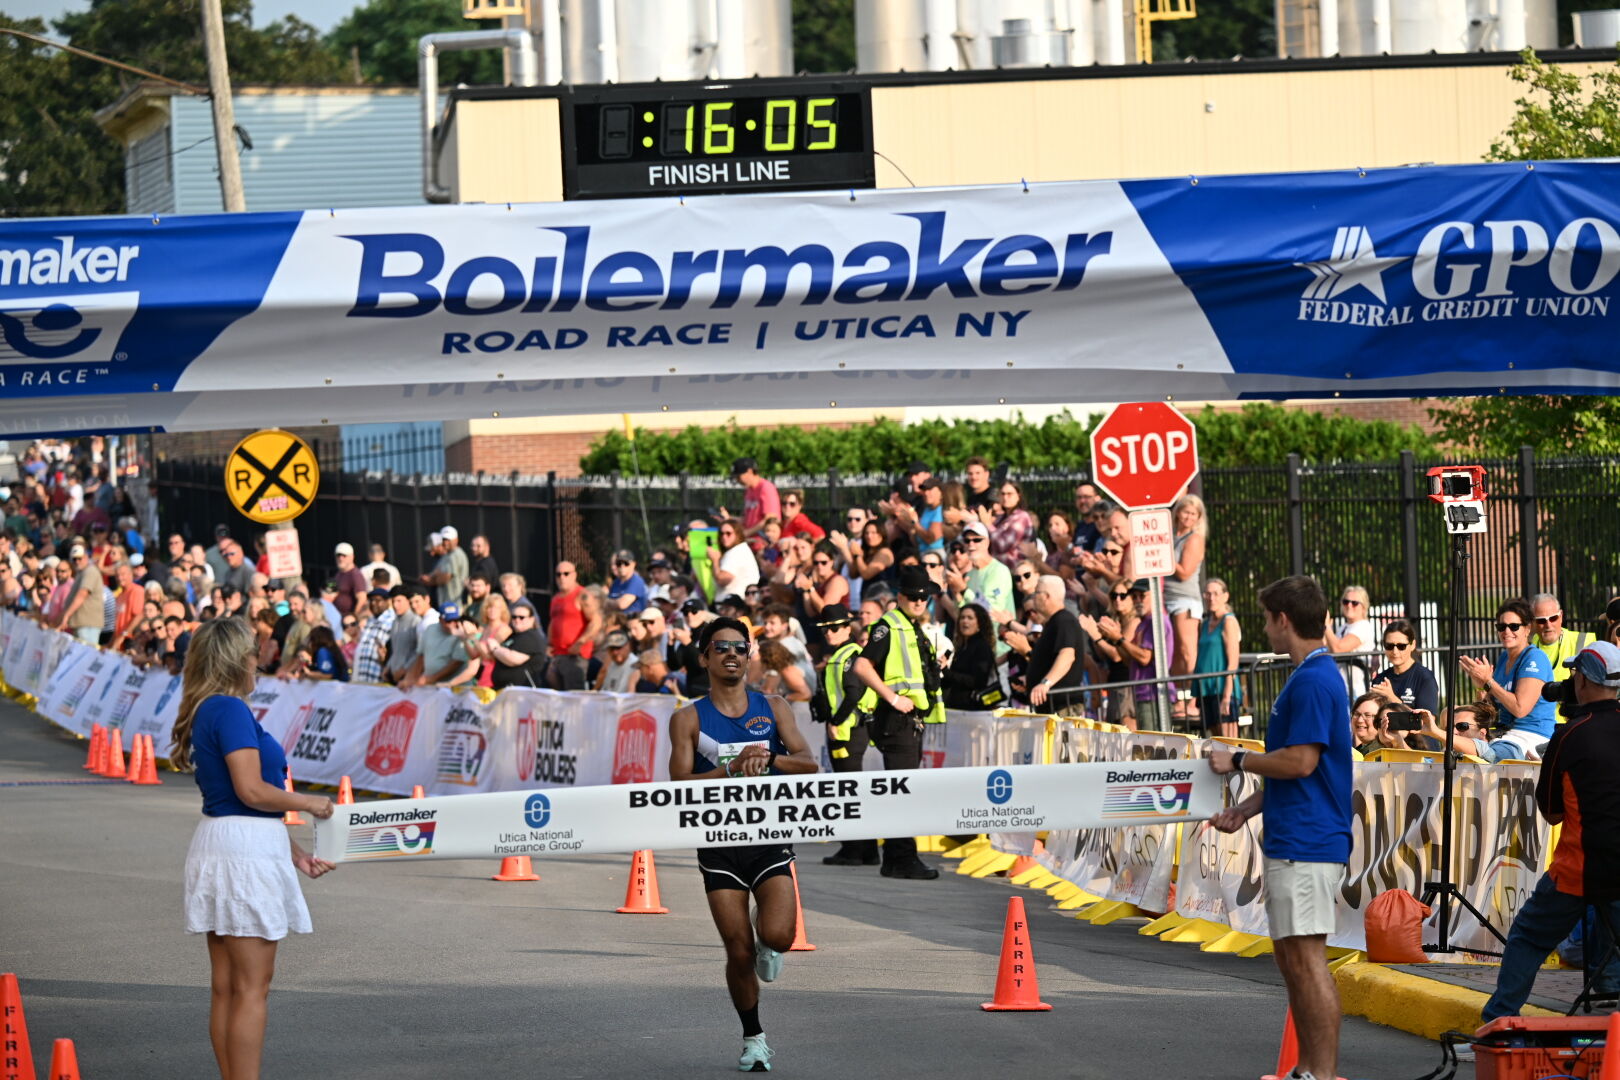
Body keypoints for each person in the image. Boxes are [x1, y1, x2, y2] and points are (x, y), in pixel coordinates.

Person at [168, 617, 336, 1080]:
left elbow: (242, 799)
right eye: (252, 654)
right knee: (250, 989)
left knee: (228, 987)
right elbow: (251, 791)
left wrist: (296, 853)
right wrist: (311, 803)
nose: (257, 662)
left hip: (224, 840)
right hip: (241, 850)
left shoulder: (209, 708)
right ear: (236, 659)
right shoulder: (230, 710)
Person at [1210, 575, 1353, 1080]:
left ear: (1283, 620)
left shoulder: (1313, 679)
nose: (1265, 630)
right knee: (1292, 960)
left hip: (1308, 842)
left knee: (1307, 961)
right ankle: (1309, 1069)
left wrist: (1239, 759)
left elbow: (1300, 762)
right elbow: (1297, 770)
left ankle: (1321, 1073)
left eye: (1267, 620)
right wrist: (1246, 810)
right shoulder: (1311, 676)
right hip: (1295, 837)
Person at [667, 617, 816, 1073]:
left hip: (768, 837)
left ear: (749, 655)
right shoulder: (687, 718)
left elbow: (808, 763)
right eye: (721, 647)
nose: (732, 654)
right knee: (738, 951)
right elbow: (678, 783)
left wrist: (769, 758)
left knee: (778, 936)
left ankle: (768, 936)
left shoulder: (773, 706)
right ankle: (754, 1038)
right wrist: (729, 770)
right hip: (718, 843)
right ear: (704, 657)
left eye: (739, 647)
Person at [1481, 641, 1620, 1023]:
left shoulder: (1570, 735)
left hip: (1579, 870)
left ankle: (1499, 1019)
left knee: (1527, 936)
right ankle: (1608, 989)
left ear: (1584, 680)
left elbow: (1552, 811)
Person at [844, 565, 946, 879]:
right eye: (913, 597)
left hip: (907, 721)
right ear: (900, 596)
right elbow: (862, 666)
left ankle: (894, 858)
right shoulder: (889, 626)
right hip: (897, 720)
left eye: (924, 598)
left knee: (901, 792)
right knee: (903, 793)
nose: (919, 602)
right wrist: (892, 698)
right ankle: (902, 859)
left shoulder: (911, 626)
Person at [1458, 599, 1558, 762]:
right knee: (1454, 722)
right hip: (1504, 732)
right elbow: (1491, 710)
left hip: (1531, 735)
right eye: (1501, 627)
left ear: (1527, 629)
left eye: (1514, 626)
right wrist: (1481, 687)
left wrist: (1489, 681)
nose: (1507, 631)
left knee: (1486, 754)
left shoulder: (1535, 658)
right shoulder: (1505, 657)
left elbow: (1520, 709)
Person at [1004, 575, 1088, 713]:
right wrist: (1031, 680)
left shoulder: (1064, 620)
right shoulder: (1053, 623)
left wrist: (1045, 683)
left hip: (1062, 706)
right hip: (1049, 706)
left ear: (1046, 596)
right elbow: (1049, 661)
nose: (1033, 597)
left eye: (1036, 593)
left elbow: (1067, 656)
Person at [1165, 494, 1207, 719]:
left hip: (1184, 599)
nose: (1189, 517)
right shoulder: (1171, 535)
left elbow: (1184, 572)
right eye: (1185, 512)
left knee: (1187, 651)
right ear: (1178, 513)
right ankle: (1177, 699)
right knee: (1172, 652)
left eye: (1194, 514)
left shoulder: (1194, 539)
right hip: (1164, 598)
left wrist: (1161, 555)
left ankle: (1192, 700)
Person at [1529, 592, 1595, 722]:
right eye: (1541, 620)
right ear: (1533, 622)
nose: (1548, 625)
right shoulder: (1527, 646)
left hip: (1574, 722)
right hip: (1536, 724)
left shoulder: (1584, 641)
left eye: (1553, 618)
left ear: (1561, 616)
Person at [1119, 579, 1173, 732]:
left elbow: (1144, 657)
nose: (1137, 601)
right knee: (1147, 741)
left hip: (1154, 694)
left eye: (1142, 596)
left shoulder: (1156, 621)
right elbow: (1130, 660)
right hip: (1142, 692)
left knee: (1153, 742)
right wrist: (1114, 640)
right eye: (1134, 597)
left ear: (1154, 595)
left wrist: (1119, 639)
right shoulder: (1143, 622)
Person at [1192, 577, 1243, 738]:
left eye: (1215, 593)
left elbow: (1233, 662)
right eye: (1207, 593)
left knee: (1229, 743)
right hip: (1206, 689)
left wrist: (1227, 697)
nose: (1211, 598)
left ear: (1225, 596)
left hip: (1223, 689)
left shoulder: (1229, 621)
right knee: (1215, 741)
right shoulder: (1204, 624)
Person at [1367, 619, 1439, 715]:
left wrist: (1392, 698)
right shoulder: (1380, 679)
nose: (1395, 651)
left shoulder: (1424, 678)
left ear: (1412, 645)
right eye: (1389, 646)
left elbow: (1427, 721)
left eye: (1401, 646)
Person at [548, 561, 600, 690]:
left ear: (574, 575)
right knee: (554, 686)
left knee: (574, 693)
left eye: (566, 574)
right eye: (558, 574)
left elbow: (596, 621)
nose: (562, 577)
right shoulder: (555, 598)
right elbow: (553, 622)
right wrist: (549, 644)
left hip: (575, 655)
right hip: (558, 654)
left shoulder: (582, 595)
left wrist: (580, 642)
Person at [477, 598, 549, 689]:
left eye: (521, 617)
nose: (517, 620)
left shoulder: (531, 637)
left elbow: (512, 659)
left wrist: (495, 648)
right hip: (504, 688)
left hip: (522, 691)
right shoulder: (514, 635)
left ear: (532, 619)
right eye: (514, 617)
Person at [942, 602, 1001, 710]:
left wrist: (946, 671)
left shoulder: (982, 647)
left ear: (979, 623)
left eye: (970, 618)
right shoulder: (962, 647)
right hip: (957, 707)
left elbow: (977, 681)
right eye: (962, 617)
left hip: (974, 709)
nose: (965, 621)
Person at [1324, 585, 1374, 697]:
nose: (1349, 605)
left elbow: (1338, 648)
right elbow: (1327, 649)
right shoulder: (1344, 627)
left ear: (1364, 607)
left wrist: (1326, 626)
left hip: (1355, 689)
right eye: (1346, 602)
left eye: (1354, 603)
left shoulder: (1363, 626)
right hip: (1341, 685)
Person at [725, 457, 781, 551]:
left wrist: (746, 533)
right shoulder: (749, 490)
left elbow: (770, 519)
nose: (737, 480)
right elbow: (747, 520)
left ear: (750, 472)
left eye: (739, 477)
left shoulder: (766, 488)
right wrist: (729, 518)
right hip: (750, 543)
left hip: (763, 545)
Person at [56, 542, 106, 644]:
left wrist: (67, 615)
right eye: (74, 559)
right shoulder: (82, 573)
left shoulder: (90, 571)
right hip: (81, 624)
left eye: (80, 558)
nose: (77, 561)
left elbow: (82, 595)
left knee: (86, 652)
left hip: (88, 625)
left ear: (86, 557)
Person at [983, 479, 1035, 569]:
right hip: (996, 568)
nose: (1005, 497)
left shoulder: (1022, 517)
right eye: (1002, 494)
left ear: (1018, 496)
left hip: (1014, 570)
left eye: (1009, 494)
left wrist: (987, 524)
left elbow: (1002, 545)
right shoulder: (1001, 518)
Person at [352, 589, 394, 684]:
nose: (373, 603)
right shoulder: (370, 621)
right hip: (362, 678)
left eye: (378, 600)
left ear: (387, 601)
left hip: (379, 678)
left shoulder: (392, 621)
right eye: (371, 600)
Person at [710, 519, 761, 598]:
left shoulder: (737, 552)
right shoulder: (737, 550)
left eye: (728, 533)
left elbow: (722, 580)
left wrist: (715, 560)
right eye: (721, 534)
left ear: (737, 534)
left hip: (737, 601)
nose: (724, 537)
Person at [331, 543, 367, 617]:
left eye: (344, 556)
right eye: (338, 555)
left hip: (347, 619)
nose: (341, 558)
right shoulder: (339, 574)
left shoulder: (355, 575)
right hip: (337, 617)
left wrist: (354, 617)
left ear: (352, 557)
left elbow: (362, 599)